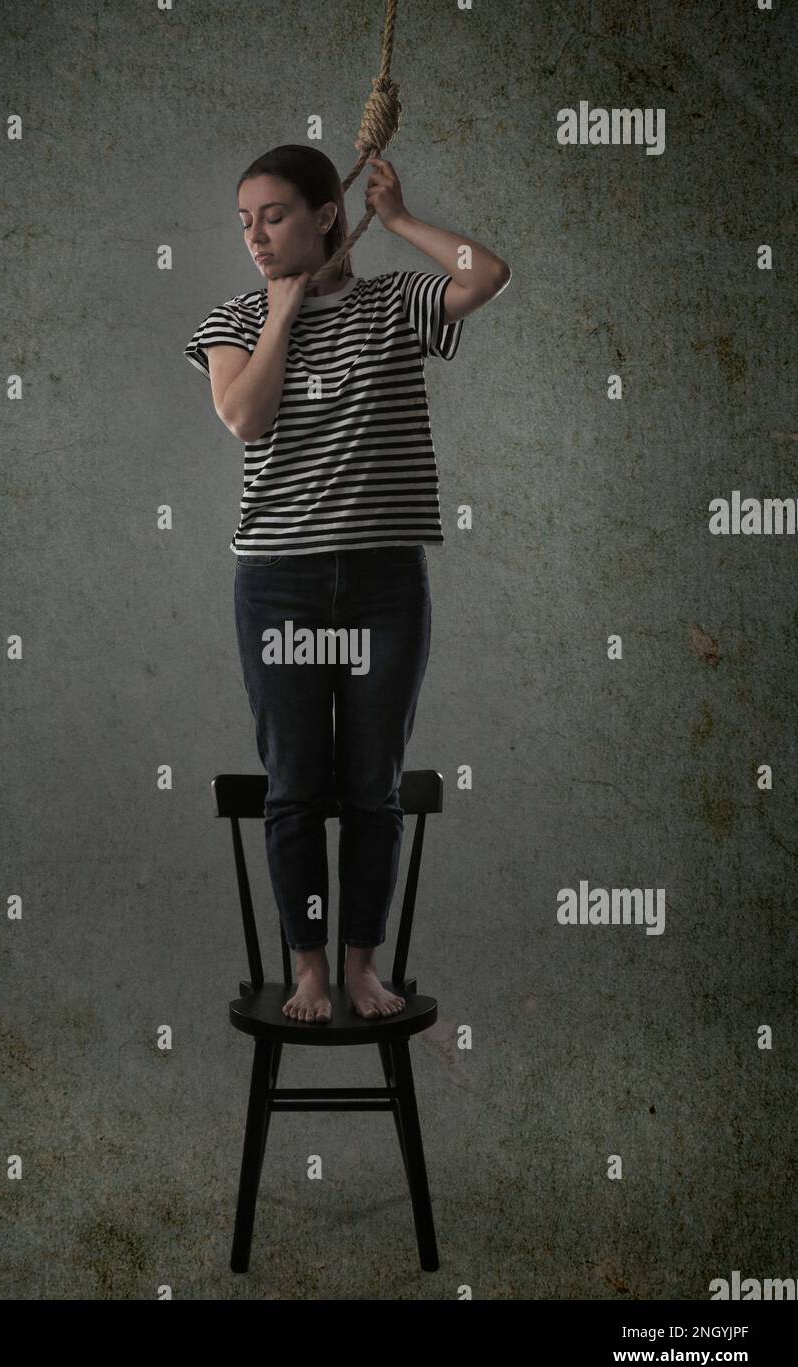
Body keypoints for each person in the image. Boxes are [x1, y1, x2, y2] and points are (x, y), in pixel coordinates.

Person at [184, 145, 510, 1025]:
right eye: (244, 221)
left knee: (371, 783)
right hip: (279, 586)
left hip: (381, 585)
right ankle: (310, 972)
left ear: (328, 213)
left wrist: (400, 220)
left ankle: (360, 967)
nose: (254, 235)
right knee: (294, 783)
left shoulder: (394, 304)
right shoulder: (235, 317)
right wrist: (280, 317)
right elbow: (244, 419)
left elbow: (487, 277)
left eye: (275, 215)